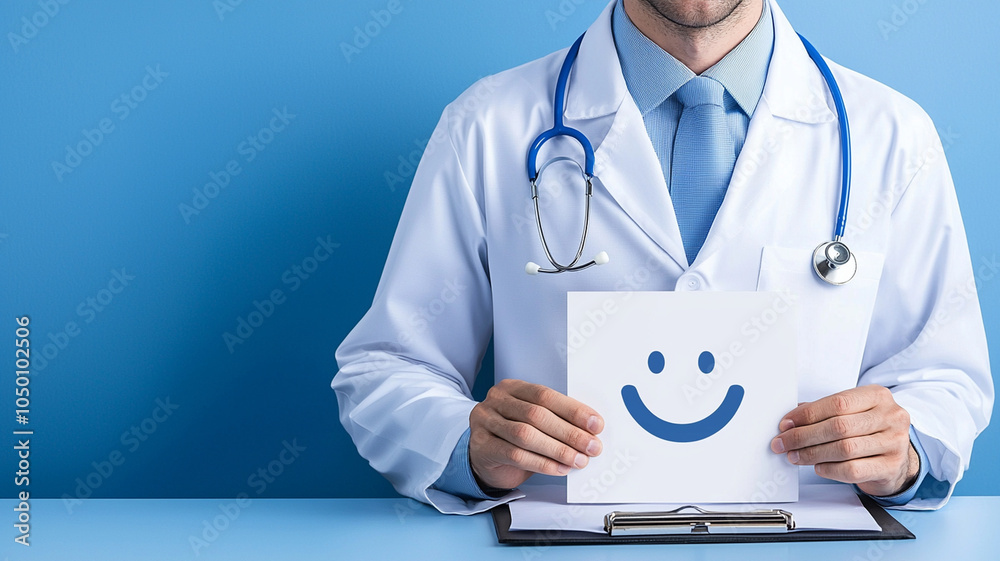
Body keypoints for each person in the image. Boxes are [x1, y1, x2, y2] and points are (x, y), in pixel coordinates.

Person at [332, 0, 993, 514]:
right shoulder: (488, 125)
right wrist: (466, 443)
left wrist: (901, 451)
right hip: (565, 541)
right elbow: (387, 367)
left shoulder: (891, 137)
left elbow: (947, 380)